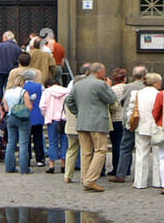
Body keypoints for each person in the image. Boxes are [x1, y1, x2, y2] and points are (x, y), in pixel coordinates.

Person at [65, 62, 118, 192]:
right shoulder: (100, 84)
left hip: (82, 121)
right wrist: (108, 86)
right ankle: (90, 180)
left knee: (86, 152)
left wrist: (78, 112)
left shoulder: (78, 84)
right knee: (100, 150)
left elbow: (69, 101)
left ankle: (85, 178)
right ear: (99, 72)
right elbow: (111, 99)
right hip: (98, 122)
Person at [130, 73, 164, 190]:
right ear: (155, 83)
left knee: (141, 154)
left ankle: (140, 182)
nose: (161, 84)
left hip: (141, 126)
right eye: (159, 82)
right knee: (158, 155)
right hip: (156, 127)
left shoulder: (137, 93)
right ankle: (158, 181)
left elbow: (131, 110)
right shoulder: (160, 94)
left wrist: (130, 124)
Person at [114, 66, 147, 181]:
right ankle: (141, 175)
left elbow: (123, 102)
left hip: (130, 121)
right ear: (144, 76)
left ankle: (121, 174)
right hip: (144, 122)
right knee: (143, 149)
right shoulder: (147, 87)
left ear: (133, 76)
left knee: (125, 148)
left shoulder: (128, 87)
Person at [3, 72, 35, 174]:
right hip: (23, 119)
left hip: (11, 117)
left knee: (11, 143)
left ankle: (9, 167)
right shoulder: (24, 92)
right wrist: (32, 102)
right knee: (23, 144)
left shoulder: (7, 92)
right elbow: (29, 107)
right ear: (22, 83)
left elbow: (6, 108)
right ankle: (24, 168)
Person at [39, 81, 69, 175]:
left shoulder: (47, 92)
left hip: (51, 119)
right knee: (65, 142)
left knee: (52, 143)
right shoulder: (67, 91)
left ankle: (52, 165)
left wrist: (45, 115)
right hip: (64, 119)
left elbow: (42, 106)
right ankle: (64, 165)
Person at [23, 67, 46, 168]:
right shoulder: (40, 86)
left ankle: (26, 158)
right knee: (38, 138)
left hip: (25, 115)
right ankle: (39, 159)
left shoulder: (22, 87)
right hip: (37, 114)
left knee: (26, 139)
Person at [107, 67, 128, 179]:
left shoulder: (112, 89)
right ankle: (126, 168)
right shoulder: (128, 88)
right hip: (125, 118)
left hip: (115, 119)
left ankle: (116, 168)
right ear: (124, 78)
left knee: (116, 145)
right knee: (126, 146)